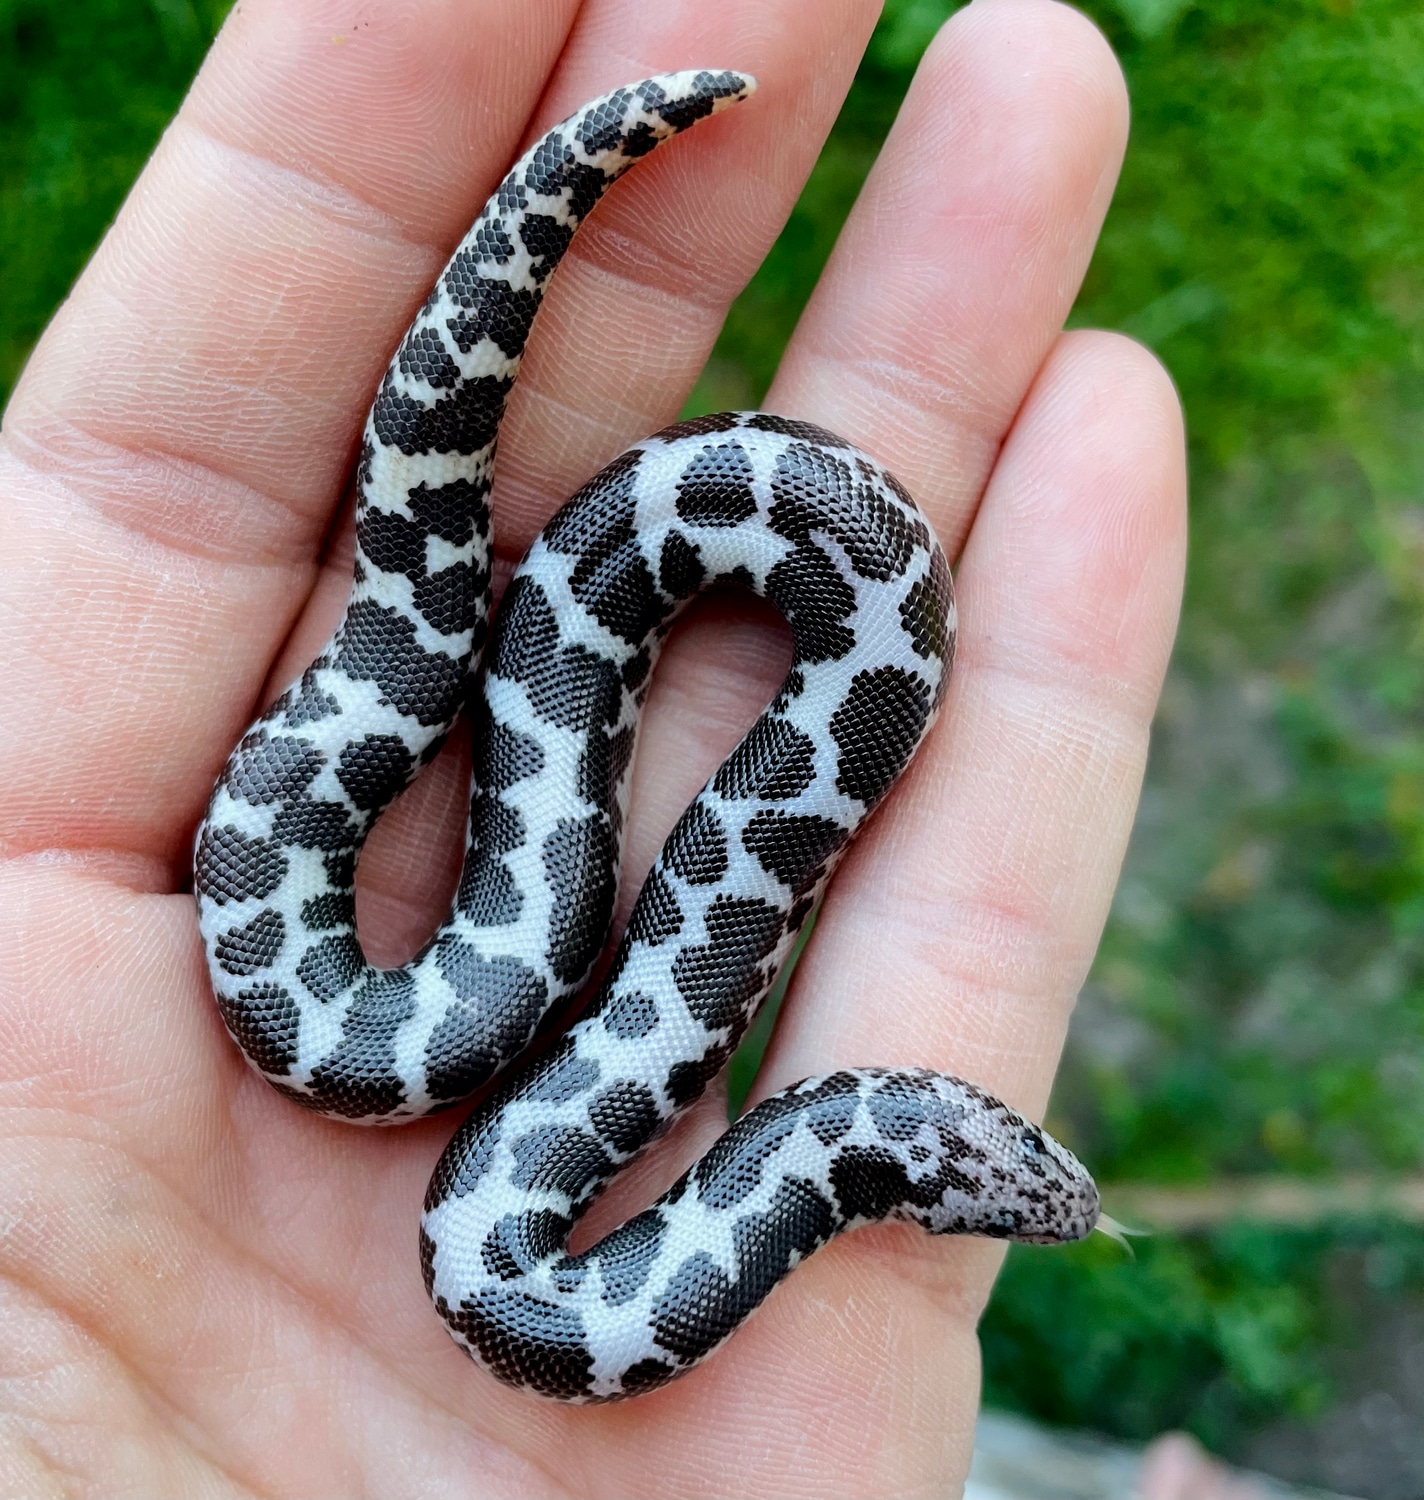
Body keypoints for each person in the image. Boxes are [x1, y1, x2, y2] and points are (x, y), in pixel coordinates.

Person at [0, 0, 1185, 1492]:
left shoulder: (527, 1295)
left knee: (463, 697)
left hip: (409, 920)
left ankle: (481, 605)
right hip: (454, 868)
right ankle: (508, 481)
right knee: (473, 736)